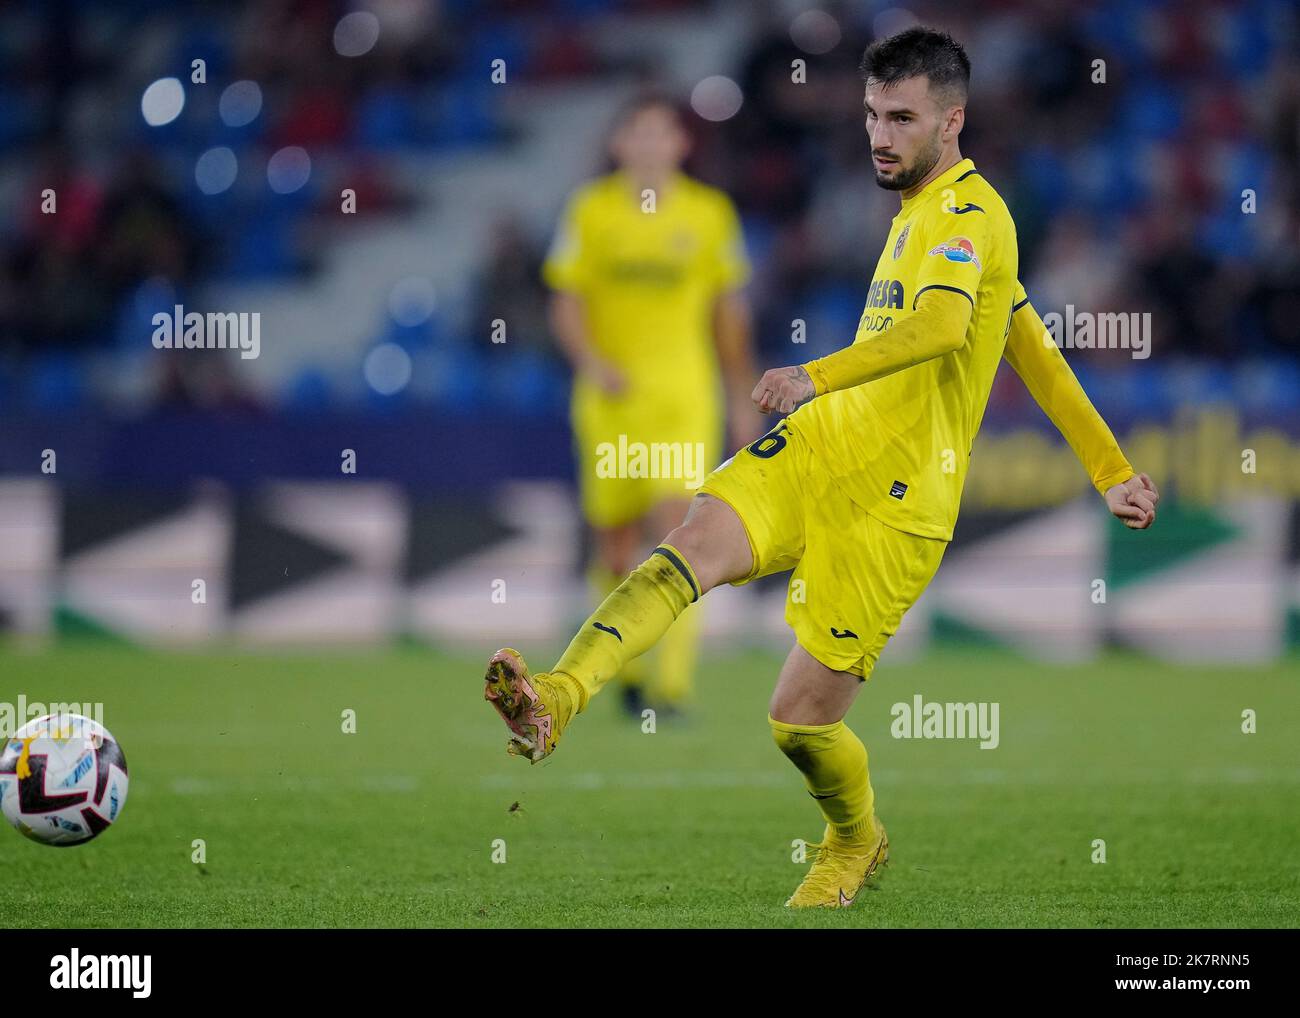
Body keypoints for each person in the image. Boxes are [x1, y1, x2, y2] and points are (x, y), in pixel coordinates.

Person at [486, 27, 1159, 908]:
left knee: (797, 722)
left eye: (903, 118)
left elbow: (953, 331)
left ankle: (854, 837)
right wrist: (1109, 467)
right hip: (820, 448)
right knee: (681, 549)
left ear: (953, 120)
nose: (881, 135)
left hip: (899, 501)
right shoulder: (916, 212)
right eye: (873, 115)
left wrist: (815, 373)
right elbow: (1030, 345)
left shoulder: (970, 216)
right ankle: (558, 700)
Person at [542, 92, 757, 716]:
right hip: (610, 402)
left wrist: (741, 391)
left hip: (683, 398)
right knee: (614, 546)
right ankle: (624, 671)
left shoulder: (711, 214)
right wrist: (590, 360)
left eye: (661, 133)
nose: (649, 145)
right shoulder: (591, 212)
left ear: (680, 145)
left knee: (677, 534)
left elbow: (728, 313)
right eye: (636, 133)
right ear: (618, 145)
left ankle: (672, 686)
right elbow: (565, 301)